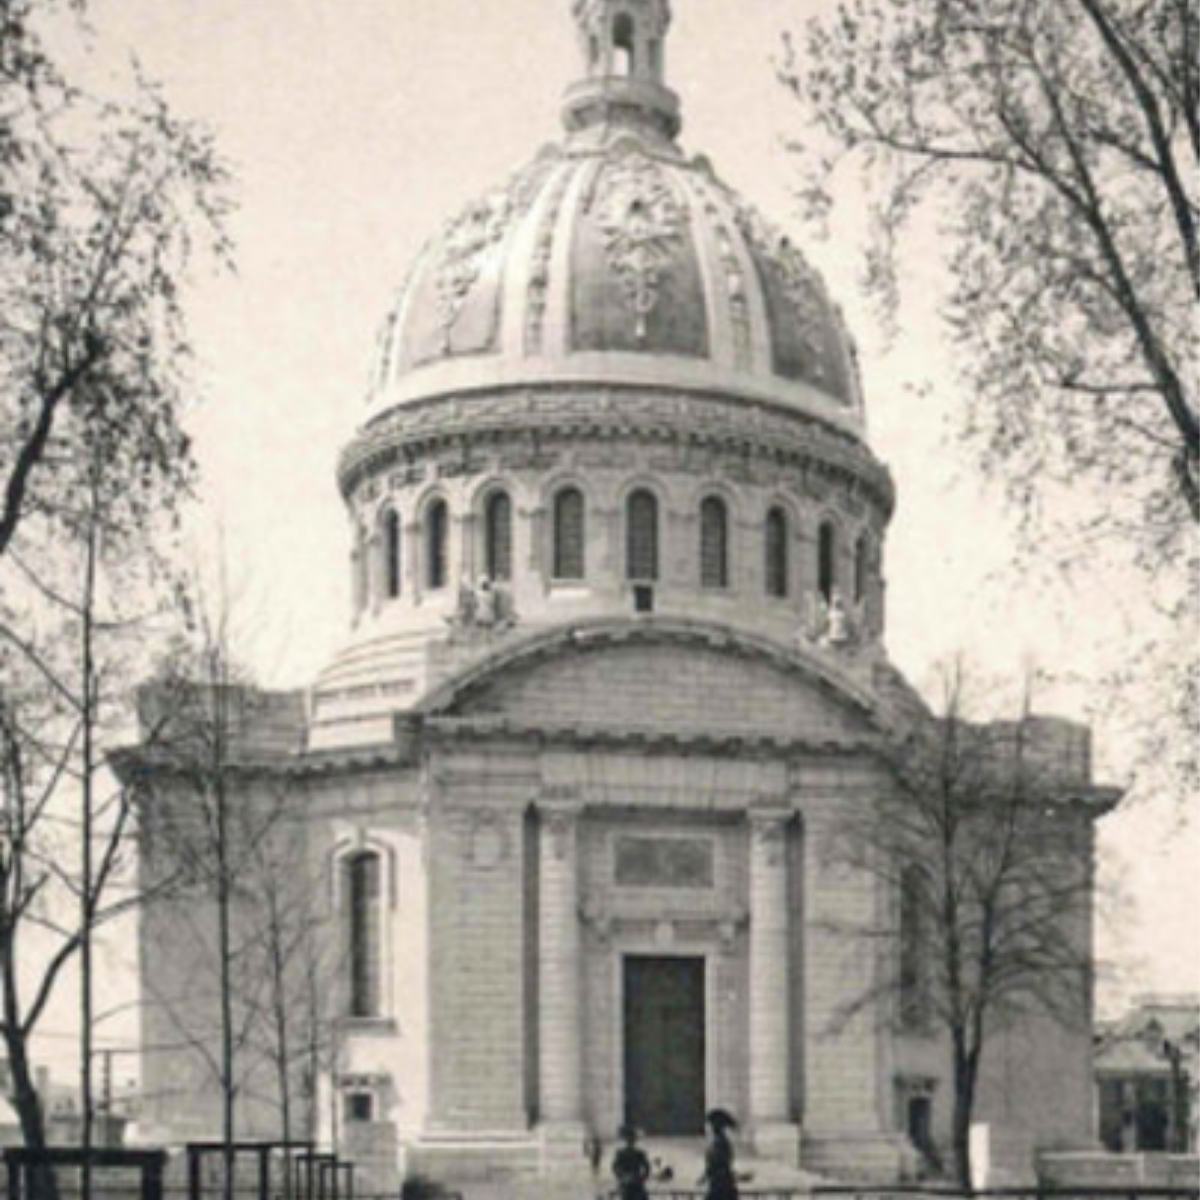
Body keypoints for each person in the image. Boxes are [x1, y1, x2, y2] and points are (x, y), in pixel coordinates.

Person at [698, 1108, 739, 1200]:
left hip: (720, 1185)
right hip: (720, 1183)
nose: (710, 1128)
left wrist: (705, 1175)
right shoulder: (719, 1142)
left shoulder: (720, 1143)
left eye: (711, 1125)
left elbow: (717, 1163)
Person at [611, 1125, 651, 1200]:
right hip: (631, 1183)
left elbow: (647, 1168)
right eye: (630, 1139)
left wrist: (642, 1178)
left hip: (634, 1183)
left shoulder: (638, 1153)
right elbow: (615, 1167)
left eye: (632, 1139)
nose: (630, 1141)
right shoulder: (622, 1153)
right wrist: (621, 1177)